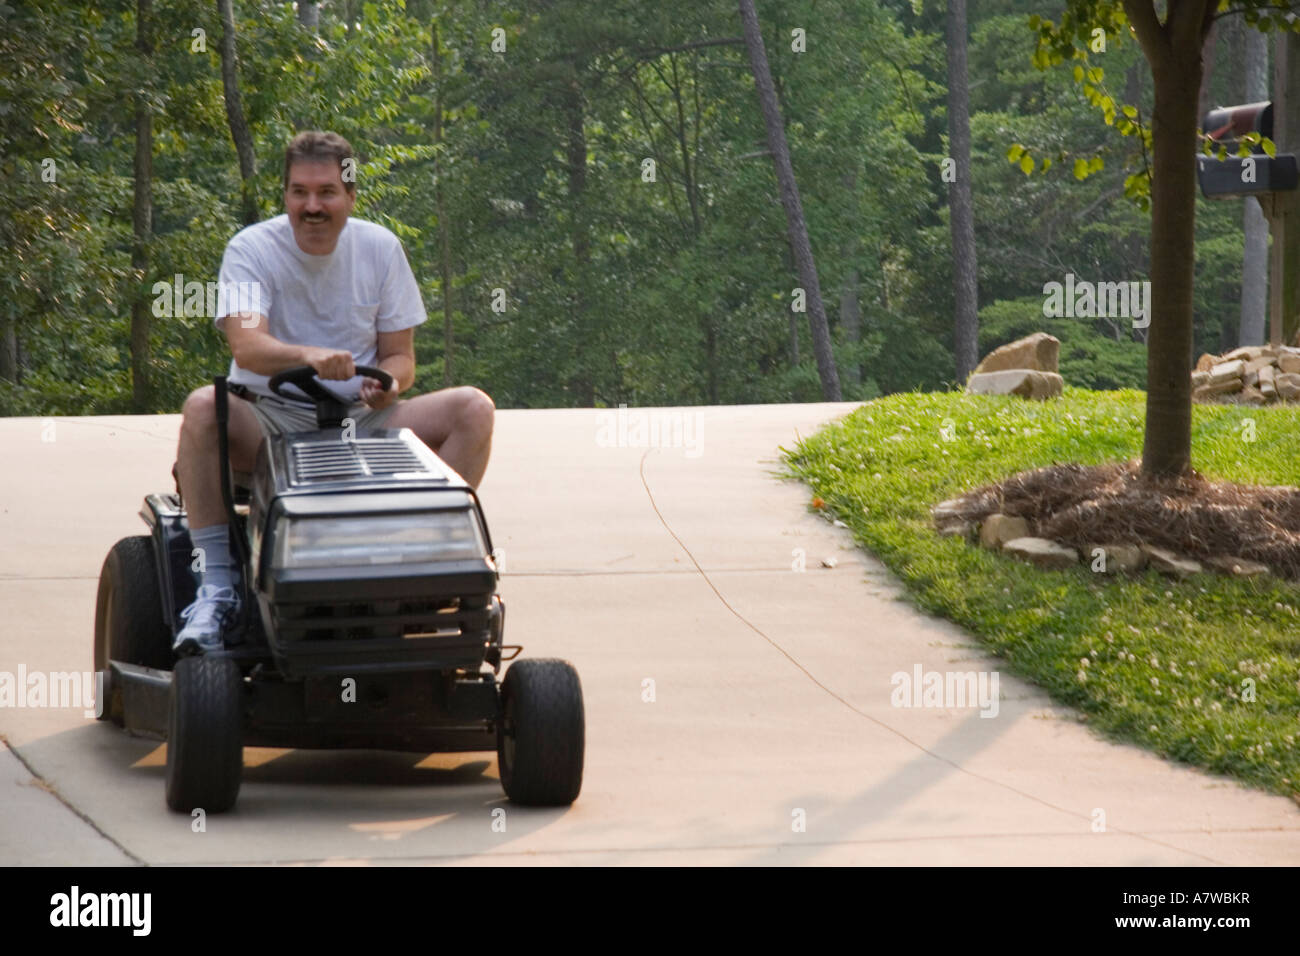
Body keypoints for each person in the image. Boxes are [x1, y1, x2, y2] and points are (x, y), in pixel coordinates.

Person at [172, 130, 494, 655]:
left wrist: (388, 383)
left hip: (361, 424)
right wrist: (308, 356)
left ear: (350, 197)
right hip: (271, 422)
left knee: (474, 409)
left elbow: (401, 358)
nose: (312, 205)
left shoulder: (381, 249)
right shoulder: (251, 249)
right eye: (299, 192)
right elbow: (248, 347)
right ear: (286, 196)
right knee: (204, 406)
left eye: (326, 192)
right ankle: (217, 588)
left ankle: (423, 571)